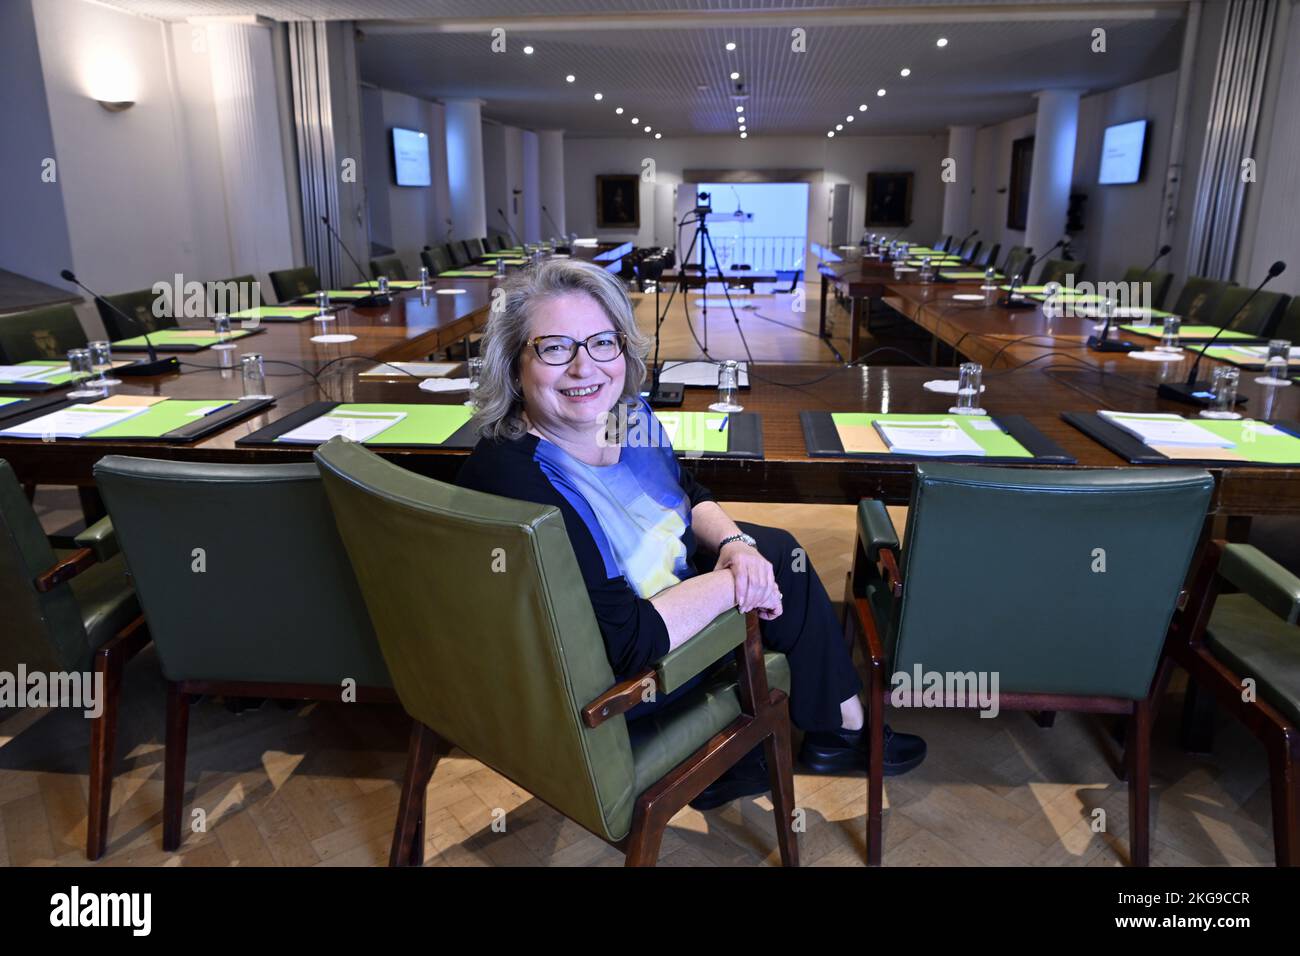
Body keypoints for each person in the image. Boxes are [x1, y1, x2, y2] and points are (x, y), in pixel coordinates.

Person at [456, 258, 924, 809]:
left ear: (624, 351)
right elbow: (629, 645)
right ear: (514, 367)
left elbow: (687, 492)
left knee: (774, 550)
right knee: (767, 574)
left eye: (602, 342)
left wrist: (733, 547)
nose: (585, 368)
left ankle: (834, 727)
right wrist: (735, 584)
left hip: (651, 593)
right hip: (619, 677)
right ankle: (782, 741)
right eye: (555, 348)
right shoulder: (523, 478)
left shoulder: (623, 415)